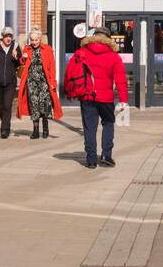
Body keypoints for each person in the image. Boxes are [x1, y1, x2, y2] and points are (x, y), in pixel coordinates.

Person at [64, 28, 129, 169]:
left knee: (89, 127)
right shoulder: (113, 56)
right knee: (108, 124)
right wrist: (123, 100)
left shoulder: (81, 52)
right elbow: (121, 80)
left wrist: (68, 91)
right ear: (108, 39)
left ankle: (91, 159)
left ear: (93, 37)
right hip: (106, 98)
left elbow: (69, 72)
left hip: (87, 96)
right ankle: (106, 155)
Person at [17, 27, 63, 139]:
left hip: (44, 82)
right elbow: (22, 64)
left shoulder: (47, 49)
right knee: (34, 106)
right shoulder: (27, 49)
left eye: (36, 40)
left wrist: (53, 82)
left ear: (40, 39)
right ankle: (36, 130)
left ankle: (45, 128)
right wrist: (23, 58)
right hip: (31, 82)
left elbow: (52, 67)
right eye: (32, 40)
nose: (34, 42)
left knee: (44, 105)